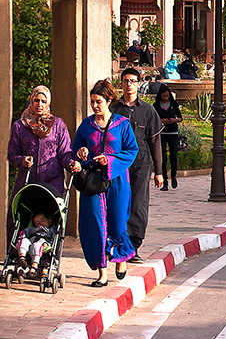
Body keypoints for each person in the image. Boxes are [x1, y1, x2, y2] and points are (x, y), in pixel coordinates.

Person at [74, 79, 138, 286]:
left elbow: (131, 151)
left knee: (118, 224)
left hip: (117, 180)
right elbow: (76, 149)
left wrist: (110, 160)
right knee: (95, 226)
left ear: (108, 101)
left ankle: (121, 257)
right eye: (92, 101)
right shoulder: (86, 125)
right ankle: (102, 273)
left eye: (98, 101)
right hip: (93, 183)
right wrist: (80, 152)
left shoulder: (122, 124)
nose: (94, 105)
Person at [7, 86, 74, 241]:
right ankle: (18, 255)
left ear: (48, 103)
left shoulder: (58, 125)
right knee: (19, 217)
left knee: (51, 218)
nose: (39, 104)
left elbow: (65, 153)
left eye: (43, 101)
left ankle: (46, 258)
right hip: (27, 180)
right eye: (36, 100)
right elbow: (12, 154)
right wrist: (21, 160)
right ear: (31, 100)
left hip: (52, 181)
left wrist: (71, 164)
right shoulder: (19, 126)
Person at [112, 67, 163, 257]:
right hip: (117, 164)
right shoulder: (113, 109)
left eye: (132, 81)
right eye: (125, 81)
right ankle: (116, 243)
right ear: (121, 84)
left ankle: (133, 246)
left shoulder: (148, 111)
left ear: (138, 83)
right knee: (118, 203)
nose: (128, 84)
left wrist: (159, 172)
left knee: (138, 204)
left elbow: (155, 142)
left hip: (141, 164)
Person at [153, 84, 183, 191]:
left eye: (167, 96)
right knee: (163, 158)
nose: (165, 98)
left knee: (173, 156)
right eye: (163, 96)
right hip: (162, 132)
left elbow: (180, 118)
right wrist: (162, 120)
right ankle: (165, 182)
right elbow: (154, 119)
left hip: (173, 132)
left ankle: (173, 176)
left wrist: (174, 120)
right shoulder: (156, 105)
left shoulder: (173, 104)